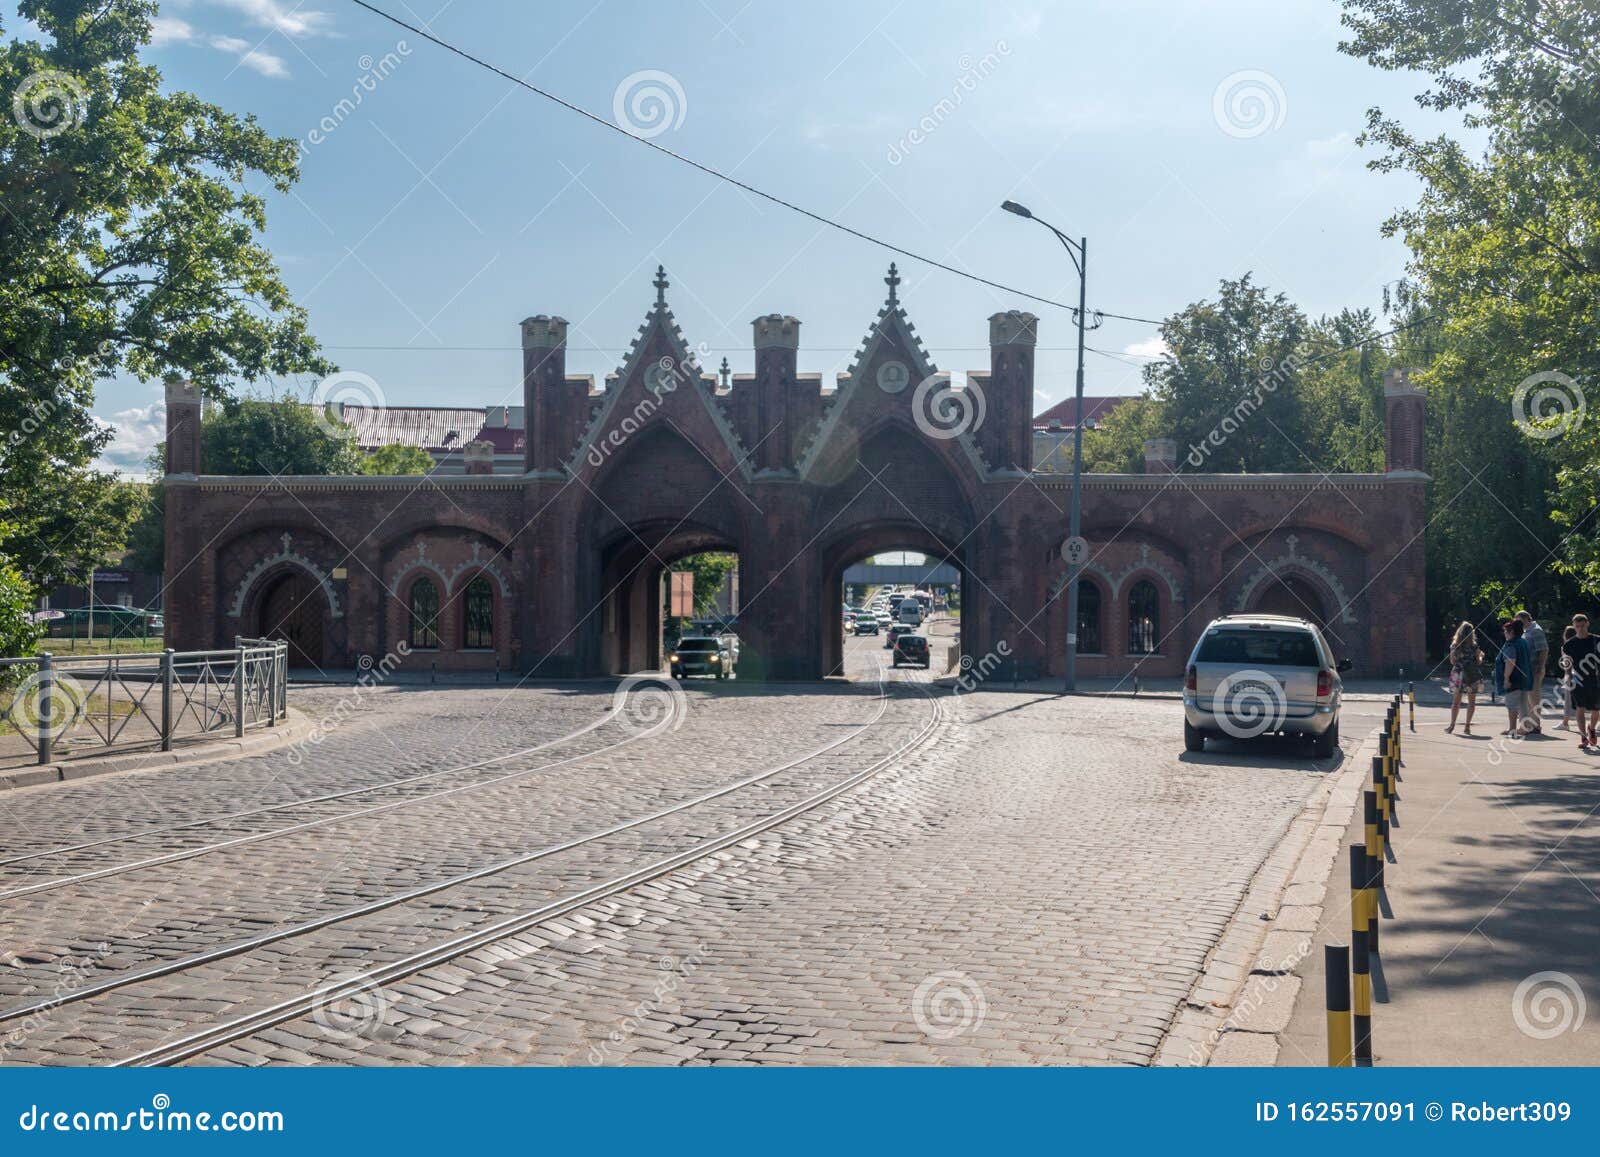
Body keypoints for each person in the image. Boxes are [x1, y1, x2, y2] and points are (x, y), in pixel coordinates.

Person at [1562, 613, 1600, 749]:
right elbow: (1567, 663)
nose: (1580, 629)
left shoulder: (1596, 640)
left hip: (1596, 680)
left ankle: (1592, 729)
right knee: (1580, 708)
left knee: (1596, 709)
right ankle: (1583, 737)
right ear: (1573, 626)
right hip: (1578, 680)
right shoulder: (1570, 644)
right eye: (1577, 626)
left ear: (1587, 624)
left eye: (1582, 626)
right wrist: (1568, 676)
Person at [1444, 620, 1484, 735]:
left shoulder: (1455, 645)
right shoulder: (1474, 646)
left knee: (1456, 702)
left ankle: (1452, 725)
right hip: (1472, 674)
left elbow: (1452, 661)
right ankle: (1467, 726)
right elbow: (1478, 662)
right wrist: (1481, 656)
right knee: (1471, 702)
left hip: (1458, 674)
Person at [1494, 618, 1531, 736]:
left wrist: (1506, 679)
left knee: (1511, 705)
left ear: (1511, 632)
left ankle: (1512, 729)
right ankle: (1525, 728)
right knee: (1523, 704)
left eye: (1506, 631)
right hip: (1525, 679)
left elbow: (1510, 662)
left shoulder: (1511, 645)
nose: (1504, 633)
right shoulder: (1524, 642)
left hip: (1514, 680)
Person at [1517, 611, 1549, 733]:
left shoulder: (1536, 630)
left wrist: (1540, 667)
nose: (1519, 624)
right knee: (1529, 699)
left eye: (1520, 621)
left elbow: (1544, 649)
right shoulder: (1527, 630)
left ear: (1526, 619)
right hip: (1528, 669)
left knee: (1534, 698)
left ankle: (1533, 726)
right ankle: (1533, 725)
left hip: (1535, 668)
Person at [1557, 626, 1577, 730]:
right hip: (1584, 675)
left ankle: (1565, 723)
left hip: (1571, 675)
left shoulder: (1565, 647)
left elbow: (1567, 664)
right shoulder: (1581, 644)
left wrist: (1567, 677)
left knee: (1568, 700)